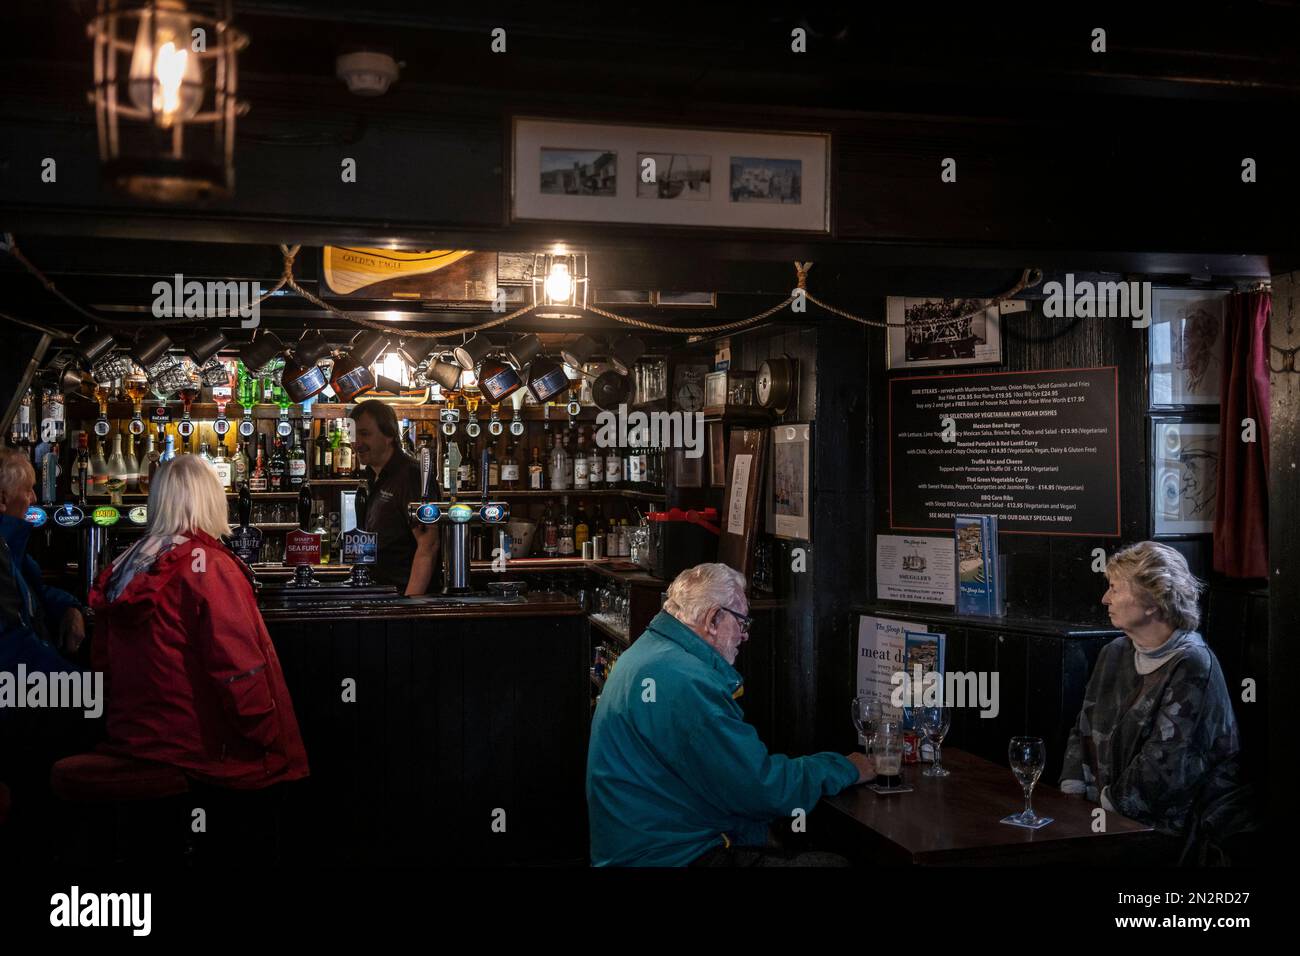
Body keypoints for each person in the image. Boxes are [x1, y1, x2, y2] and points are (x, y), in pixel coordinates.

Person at [587, 562, 873, 866]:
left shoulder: (653, 652)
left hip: (637, 848)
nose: (745, 635)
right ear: (713, 619)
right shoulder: (685, 680)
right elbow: (760, 789)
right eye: (742, 623)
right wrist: (845, 767)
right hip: (672, 856)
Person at [88, 455, 308, 789]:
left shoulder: (126, 563)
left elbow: (102, 663)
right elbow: (238, 669)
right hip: (199, 748)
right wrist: (268, 735)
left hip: (132, 739)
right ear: (212, 500)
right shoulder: (209, 567)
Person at [1059, 541, 1240, 835]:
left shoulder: (1193, 664)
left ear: (1153, 600)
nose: (1105, 598)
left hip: (1168, 831)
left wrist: (1098, 812)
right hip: (1103, 818)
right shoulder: (1114, 652)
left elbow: (1165, 769)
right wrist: (1071, 794)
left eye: (1116, 588)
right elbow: (1082, 729)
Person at [0, 449, 85, 674]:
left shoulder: (12, 547)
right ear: (2, 498)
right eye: (28, 490)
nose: (34, 499)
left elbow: (34, 592)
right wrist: (80, 686)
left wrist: (70, 607)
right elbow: (13, 646)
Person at [349, 400, 438, 595]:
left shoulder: (410, 475)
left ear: (389, 434)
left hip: (401, 598)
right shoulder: (374, 475)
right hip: (382, 596)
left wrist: (409, 606)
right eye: (353, 435)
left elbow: (428, 544)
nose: (356, 443)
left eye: (364, 434)